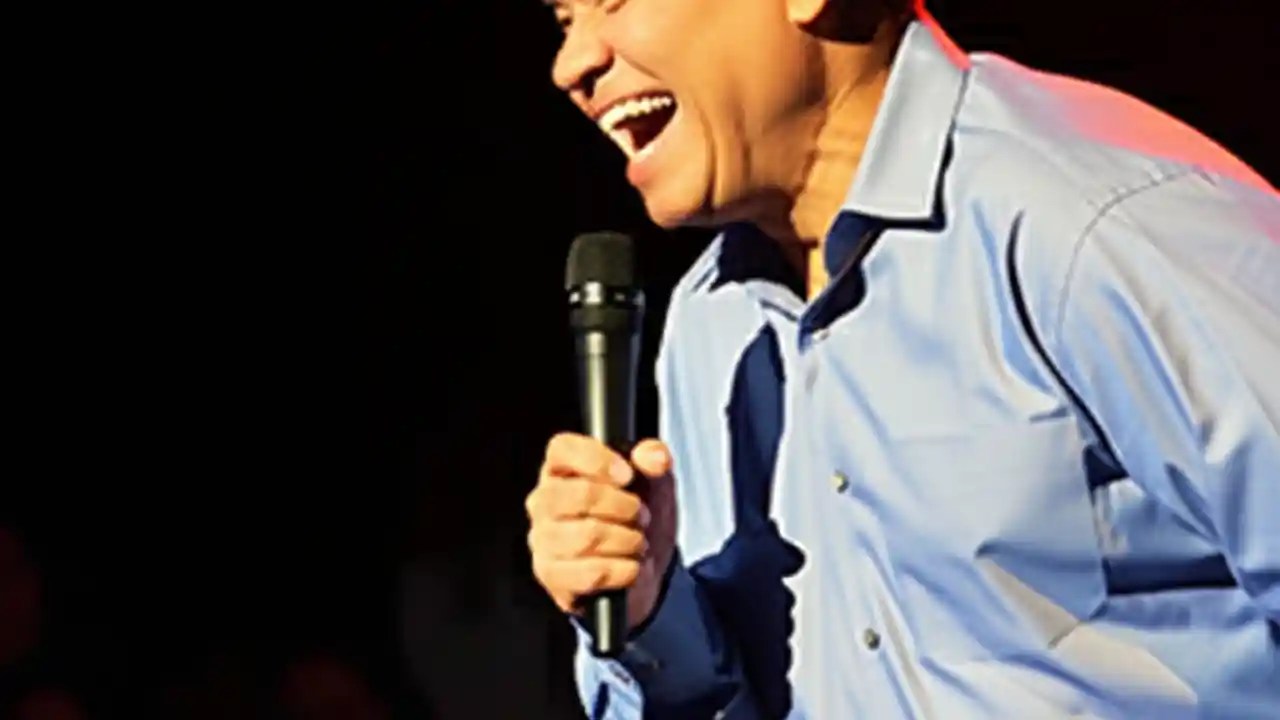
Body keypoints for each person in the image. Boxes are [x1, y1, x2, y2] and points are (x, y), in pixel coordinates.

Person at [524, 0, 1279, 717]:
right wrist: (652, 612)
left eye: (614, 1)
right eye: (563, 19)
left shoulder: (1087, 221)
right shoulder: (709, 326)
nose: (570, 64)